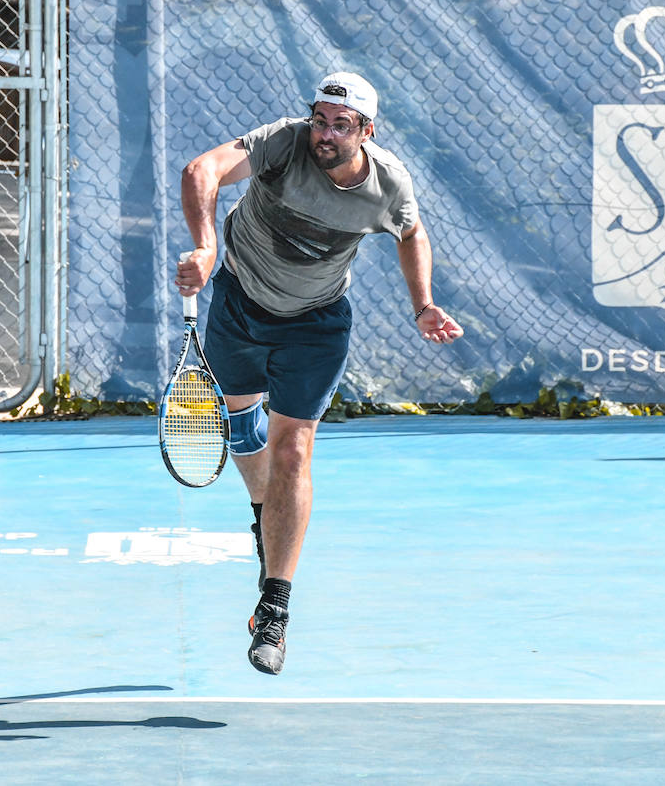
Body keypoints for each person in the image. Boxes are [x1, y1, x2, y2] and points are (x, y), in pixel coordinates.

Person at [175, 71, 464, 675]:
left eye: (341, 124)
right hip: (237, 304)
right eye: (320, 117)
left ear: (366, 131)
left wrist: (423, 303)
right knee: (240, 425)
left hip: (316, 323)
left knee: (292, 452)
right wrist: (205, 246)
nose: (325, 132)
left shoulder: (388, 183)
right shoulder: (284, 142)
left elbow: (412, 232)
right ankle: (265, 520)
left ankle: (274, 607)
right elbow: (201, 171)